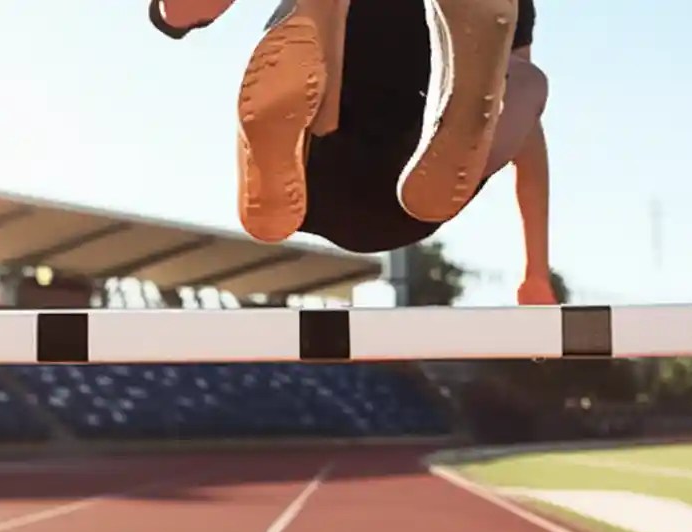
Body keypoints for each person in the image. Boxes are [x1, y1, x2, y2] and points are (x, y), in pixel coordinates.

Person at [151, 0, 556, 305]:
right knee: (527, 82)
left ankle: (451, 139)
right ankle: (448, 150)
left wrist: (536, 271)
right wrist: (535, 271)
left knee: (518, 80)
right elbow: (526, 134)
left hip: (335, 182)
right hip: (396, 204)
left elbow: (177, 13)